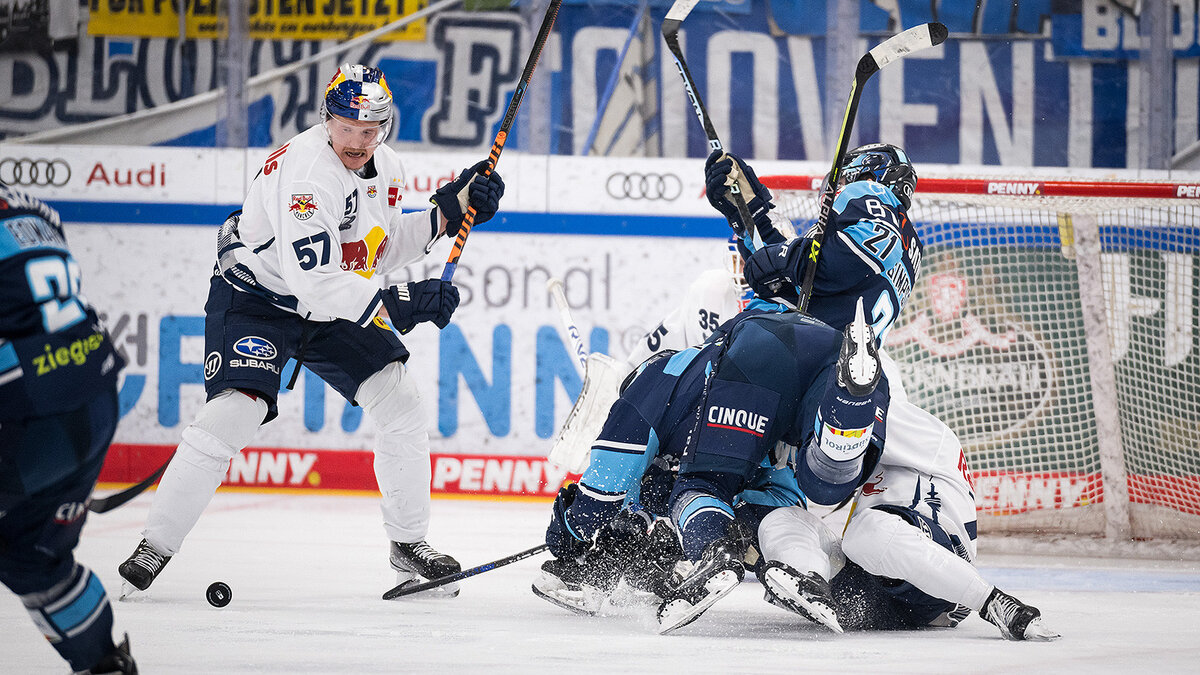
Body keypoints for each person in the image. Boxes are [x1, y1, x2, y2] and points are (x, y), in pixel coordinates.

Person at [117, 63, 505, 597]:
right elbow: (313, 280)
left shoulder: (386, 166)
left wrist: (448, 211)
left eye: (370, 130)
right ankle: (154, 547)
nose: (358, 141)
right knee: (235, 409)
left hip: (327, 302)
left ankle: (408, 546)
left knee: (401, 403)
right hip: (259, 299)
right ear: (327, 119)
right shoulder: (308, 174)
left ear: (384, 128)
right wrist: (402, 304)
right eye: (347, 127)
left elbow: (376, 249)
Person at [0, 183, 137, 673]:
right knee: (32, 559)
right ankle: (104, 666)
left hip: (24, 412)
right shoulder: (28, 205)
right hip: (94, 391)